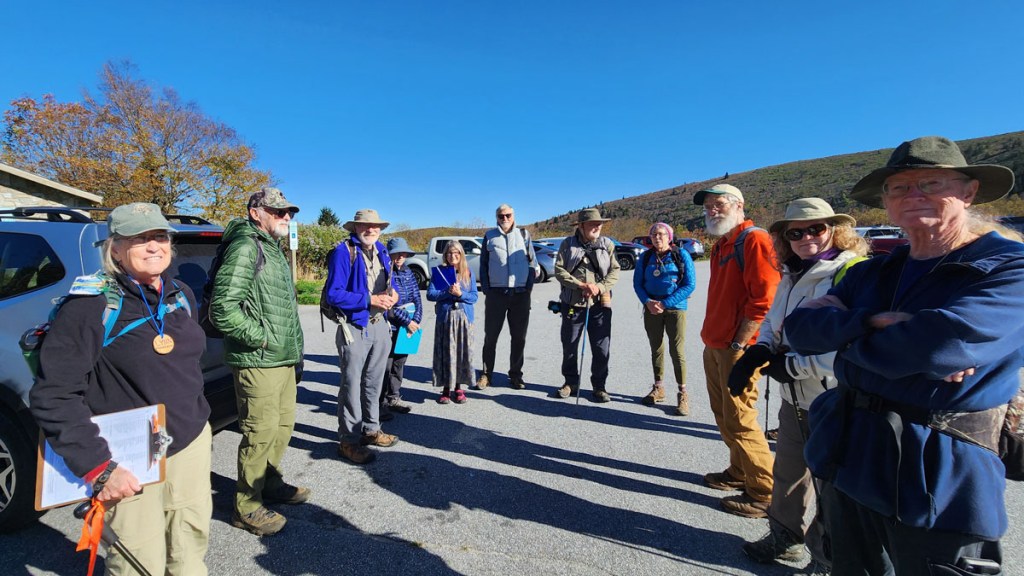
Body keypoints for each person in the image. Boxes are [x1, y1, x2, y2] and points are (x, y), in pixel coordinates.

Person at [785, 136, 1022, 575]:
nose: (913, 195)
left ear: (968, 192)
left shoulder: (1010, 266)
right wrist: (875, 322)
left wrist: (847, 336)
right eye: (899, 188)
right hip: (849, 461)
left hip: (939, 478)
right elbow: (799, 330)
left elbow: (939, 346)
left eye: (930, 183)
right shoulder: (876, 270)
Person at [31, 203, 212, 574]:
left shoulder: (179, 294)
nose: (153, 246)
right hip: (129, 458)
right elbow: (54, 395)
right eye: (138, 238)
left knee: (190, 549)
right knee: (137, 561)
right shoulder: (91, 305)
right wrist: (99, 468)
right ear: (114, 248)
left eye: (159, 236)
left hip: (190, 442)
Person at [732, 198, 868, 573]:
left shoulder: (851, 272)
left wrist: (794, 366)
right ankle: (785, 536)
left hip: (833, 398)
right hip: (794, 398)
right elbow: (774, 322)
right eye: (796, 232)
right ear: (785, 238)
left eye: (816, 228)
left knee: (831, 486)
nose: (806, 236)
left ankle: (828, 558)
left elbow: (853, 346)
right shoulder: (791, 273)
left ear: (833, 230)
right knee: (789, 472)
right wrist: (757, 351)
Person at [211, 187, 307, 536]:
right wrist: (261, 338)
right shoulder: (246, 246)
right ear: (256, 212)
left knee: (281, 428)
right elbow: (223, 308)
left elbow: (284, 309)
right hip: (259, 360)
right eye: (278, 211)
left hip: (281, 359)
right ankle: (246, 505)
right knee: (259, 433)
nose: (286, 218)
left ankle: (269, 483)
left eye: (288, 213)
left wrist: (294, 350)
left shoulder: (273, 249)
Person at [694, 183, 780, 518]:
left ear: (739, 205)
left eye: (719, 205)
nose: (712, 210)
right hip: (714, 343)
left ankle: (763, 491)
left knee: (742, 419)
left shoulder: (753, 240)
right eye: (709, 207)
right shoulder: (721, 245)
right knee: (724, 416)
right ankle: (738, 471)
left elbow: (764, 300)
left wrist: (740, 343)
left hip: (736, 348)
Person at [325, 209, 399, 465]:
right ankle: (348, 441)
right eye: (364, 225)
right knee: (351, 385)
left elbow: (390, 284)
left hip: (380, 324)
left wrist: (394, 294)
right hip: (354, 326)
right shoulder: (343, 252)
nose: (370, 229)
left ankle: (371, 430)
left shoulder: (383, 251)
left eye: (375, 226)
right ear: (355, 228)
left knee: (374, 383)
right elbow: (333, 294)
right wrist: (369, 299)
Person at [553, 208, 620, 403]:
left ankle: (599, 386)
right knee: (570, 346)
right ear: (581, 226)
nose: (597, 227)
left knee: (601, 348)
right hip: (573, 304)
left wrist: (598, 287)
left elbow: (615, 271)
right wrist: (580, 285)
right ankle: (570, 382)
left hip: (600, 304)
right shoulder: (567, 244)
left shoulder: (607, 244)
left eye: (599, 224)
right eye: (592, 224)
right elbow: (558, 270)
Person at [633, 222, 696, 416]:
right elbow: (637, 284)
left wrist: (665, 303)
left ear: (669, 237)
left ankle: (683, 392)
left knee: (677, 350)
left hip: (675, 308)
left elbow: (689, 285)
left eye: (661, 234)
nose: (657, 237)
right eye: (653, 235)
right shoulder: (645, 257)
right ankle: (658, 387)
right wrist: (648, 301)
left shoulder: (680, 255)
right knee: (656, 348)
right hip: (651, 308)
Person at [477, 203, 538, 390]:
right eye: (501, 216)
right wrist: (487, 289)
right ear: (496, 217)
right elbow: (483, 266)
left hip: (520, 295)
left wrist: (528, 287)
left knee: (519, 338)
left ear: (514, 215)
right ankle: (486, 374)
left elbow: (532, 263)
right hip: (497, 295)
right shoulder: (489, 236)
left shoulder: (524, 235)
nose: (505, 219)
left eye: (508, 215)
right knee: (491, 337)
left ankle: (516, 375)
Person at [428, 240, 479, 404]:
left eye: (456, 253)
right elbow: (430, 294)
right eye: (449, 253)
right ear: (445, 255)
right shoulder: (439, 272)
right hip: (446, 318)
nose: (453, 256)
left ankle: (458, 388)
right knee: (446, 354)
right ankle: (445, 389)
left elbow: (474, 297)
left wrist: (460, 294)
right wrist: (447, 292)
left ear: (461, 254)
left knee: (461, 353)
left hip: (464, 318)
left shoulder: (468, 272)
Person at [381, 237, 423, 416]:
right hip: (391, 326)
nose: (399, 256)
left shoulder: (408, 273)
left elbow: (417, 300)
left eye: (402, 253)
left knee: (399, 364)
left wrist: (416, 320)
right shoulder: (385, 274)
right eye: (396, 253)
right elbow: (390, 306)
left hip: (407, 328)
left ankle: (394, 397)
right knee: (385, 365)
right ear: (389, 255)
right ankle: (380, 402)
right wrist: (408, 321)